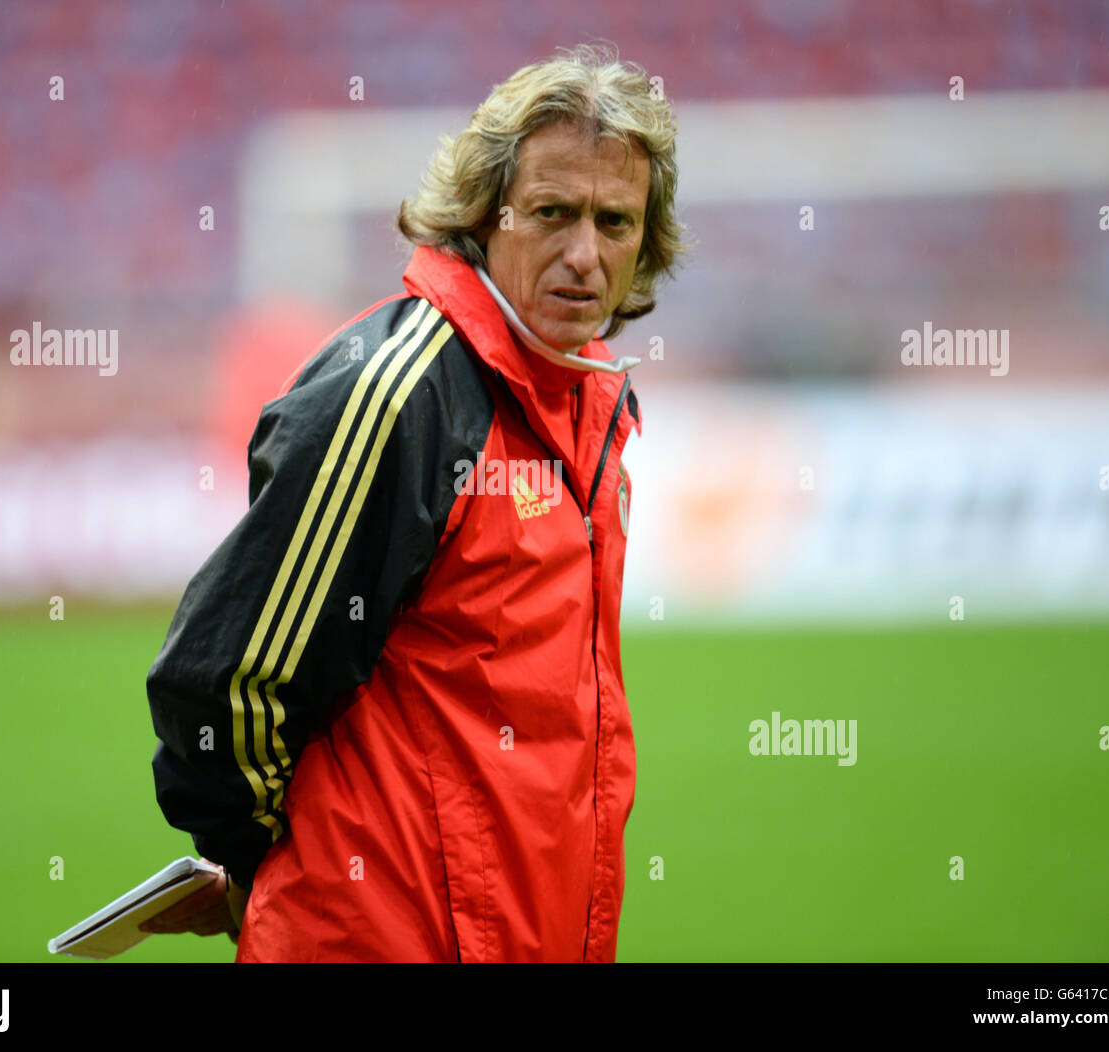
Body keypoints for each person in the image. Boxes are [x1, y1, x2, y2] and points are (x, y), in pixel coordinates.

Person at [143, 42, 686, 962]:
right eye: (552, 213)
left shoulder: (593, 398)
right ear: (485, 213)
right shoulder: (399, 396)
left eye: (616, 221)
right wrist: (262, 857)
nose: (586, 255)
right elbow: (221, 680)